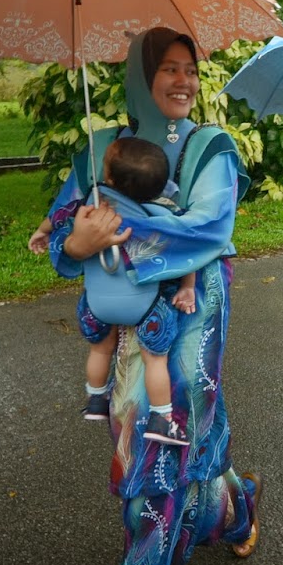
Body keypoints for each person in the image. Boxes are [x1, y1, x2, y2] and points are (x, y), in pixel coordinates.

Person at [35, 27, 259, 565]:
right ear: (140, 76)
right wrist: (74, 246)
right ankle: (235, 508)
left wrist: (114, 231)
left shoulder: (212, 148)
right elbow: (64, 232)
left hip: (192, 306)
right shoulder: (99, 149)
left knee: (161, 436)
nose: (183, 81)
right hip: (123, 311)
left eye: (191, 69)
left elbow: (207, 230)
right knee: (145, 436)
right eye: (167, 68)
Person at [71, 137, 197, 443]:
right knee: (155, 359)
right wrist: (188, 287)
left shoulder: (91, 208)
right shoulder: (163, 217)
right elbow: (187, 251)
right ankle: (161, 418)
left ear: (110, 179)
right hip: (143, 305)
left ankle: (96, 399)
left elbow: (67, 228)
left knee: (100, 347)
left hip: (97, 303)